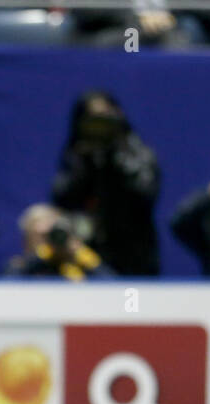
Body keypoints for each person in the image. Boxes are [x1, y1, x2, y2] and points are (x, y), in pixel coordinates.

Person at [51, 90, 161, 276]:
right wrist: (87, 165)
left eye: (104, 119)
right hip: (86, 257)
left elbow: (144, 194)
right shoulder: (78, 156)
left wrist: (113, 159)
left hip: (133, 257)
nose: (99, 127)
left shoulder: (137, 154)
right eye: (93, 120)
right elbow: (61, 198)